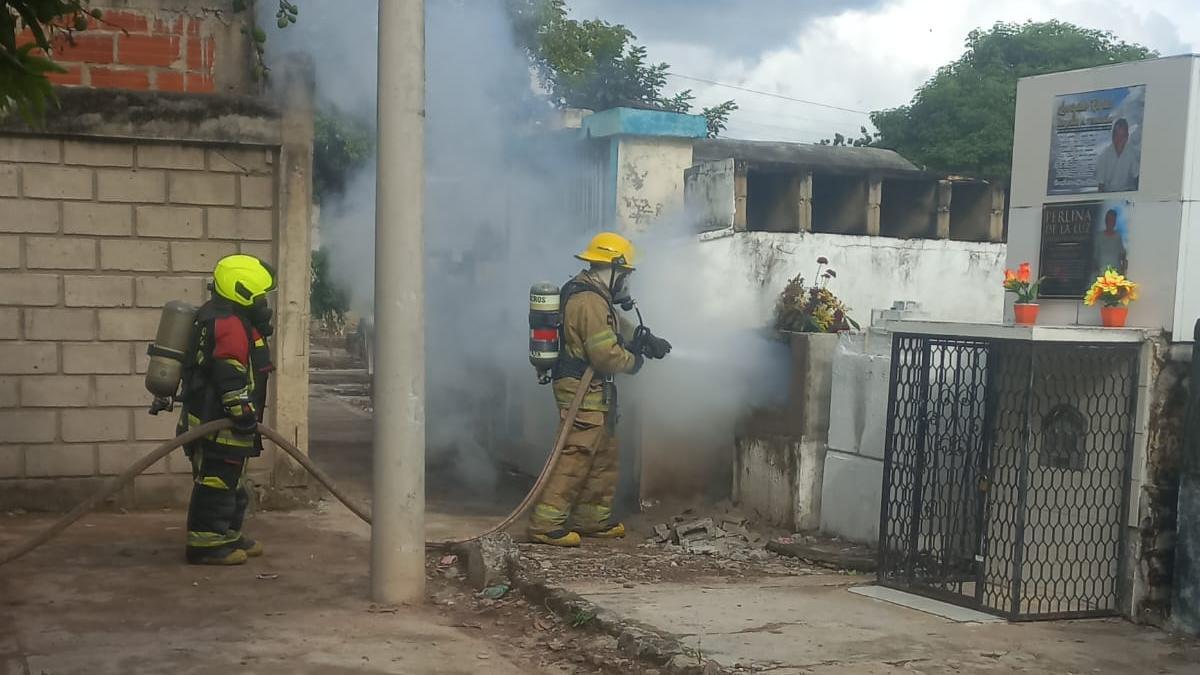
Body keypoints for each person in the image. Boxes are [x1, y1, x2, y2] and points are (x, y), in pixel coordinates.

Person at [527, 232, 671, 547]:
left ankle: (590, 519)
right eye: (627, 275)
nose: (628, 283)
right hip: (580, 387)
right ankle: (545, 524)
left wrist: (644, 338)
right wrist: (633, 361)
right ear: (614, 268)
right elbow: (604, 354)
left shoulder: (594, 295)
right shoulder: (589, 300)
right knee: (576, 454)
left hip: (594, 390)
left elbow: (613, 324)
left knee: (604, 454)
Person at [177, 254, 277, 565]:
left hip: (226, 422)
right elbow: (229, 373)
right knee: (217, 481)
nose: (264, 303)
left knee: (233, 481)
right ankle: (205, 545)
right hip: (217, 421)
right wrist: (241, 411)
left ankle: (226, 534)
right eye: (259, 295)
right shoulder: (229, 325)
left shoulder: (230, 318)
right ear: (242, 291)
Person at [1095, 118, 1139, 193]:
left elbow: (1137, 178)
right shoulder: (1103, 156)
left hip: (1128, 193)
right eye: (1117, 136)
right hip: (1109, 193)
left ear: (1127, 137)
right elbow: (1101, 185)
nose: (1119, 140)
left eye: (1123, 136)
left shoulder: (1133, 153)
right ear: (1112, 136)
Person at [1093, 208, 1128, 277]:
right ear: (1106, 220)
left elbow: (1123, 255)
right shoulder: (1099, 237)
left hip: (1116, 275)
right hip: (1102, 276)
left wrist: (1123, 270)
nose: (1110, 222)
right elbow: (1094, 258)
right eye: (1109, 219)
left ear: (1115, 222)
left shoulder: (1117, 236)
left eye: (1112, 220)